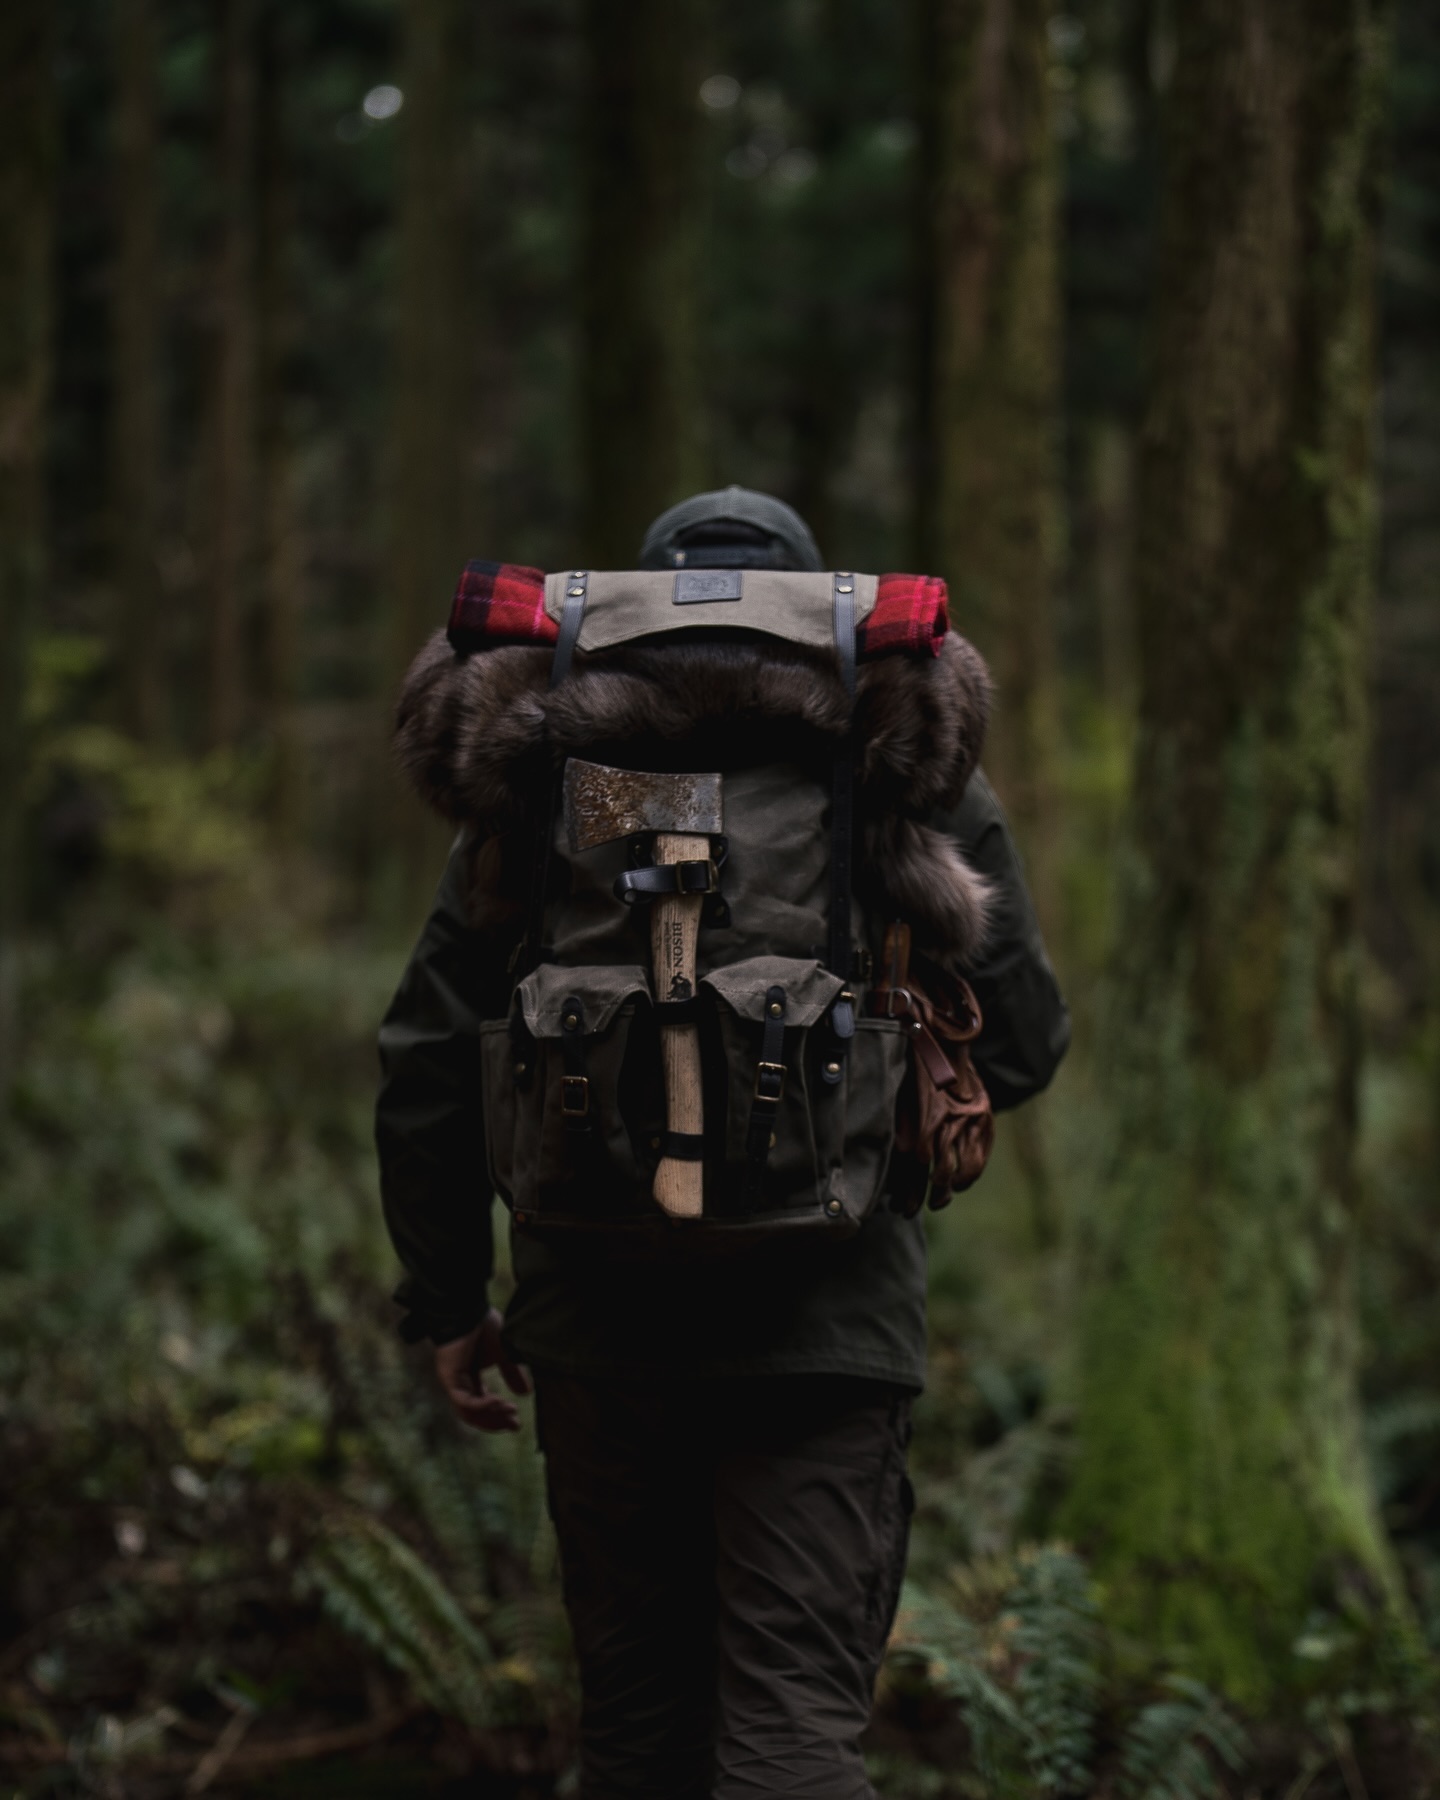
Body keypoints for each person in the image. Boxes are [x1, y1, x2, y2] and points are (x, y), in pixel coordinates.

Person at [376, 487, 1069, 1800]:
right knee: (791, 1735)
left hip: (592, 1317)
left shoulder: (551, 774)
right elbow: (1024, 1045)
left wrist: (451, 1298)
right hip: (826, 1325)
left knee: (634, 1733)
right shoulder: (898, 762)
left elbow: (425, 1053)